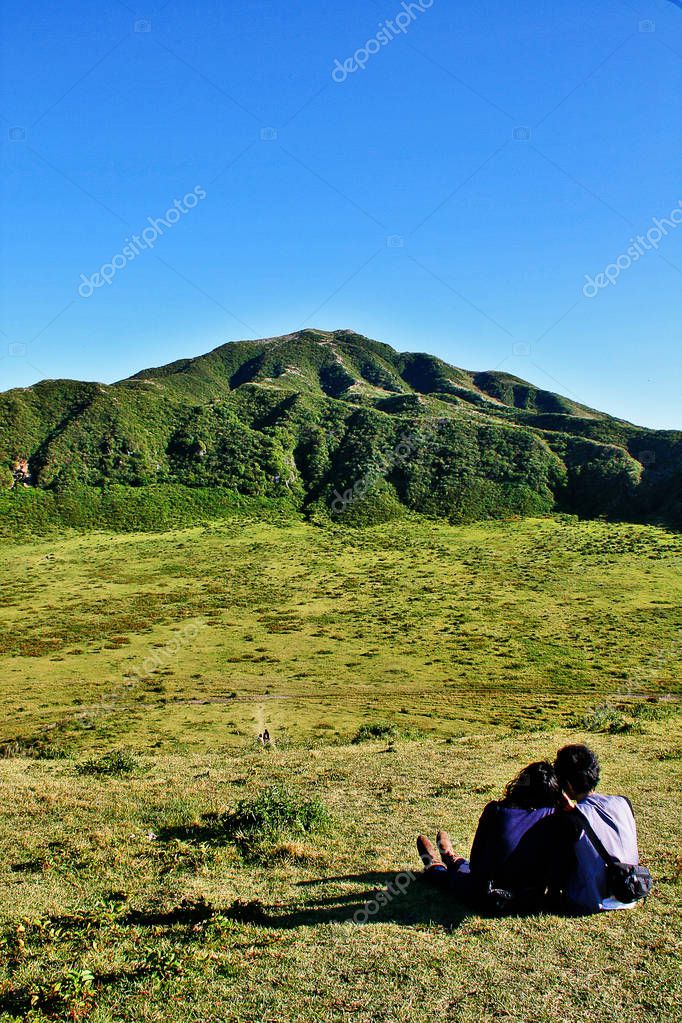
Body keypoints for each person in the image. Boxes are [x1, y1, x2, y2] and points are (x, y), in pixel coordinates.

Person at [417, 761, 573, 910]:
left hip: (488, 896)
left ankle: (435, 864)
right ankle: (453, 859)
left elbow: (476, 863)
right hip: (528, 899)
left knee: (449, 879)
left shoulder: (495, 811)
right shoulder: (553, 815)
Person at [554, 743, 641, 913]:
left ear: (568, 785)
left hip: (594, 899)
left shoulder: (573, 819)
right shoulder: (624, 802)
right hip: (632, 889)